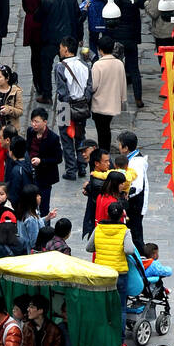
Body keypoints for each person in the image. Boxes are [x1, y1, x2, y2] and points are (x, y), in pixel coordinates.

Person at [86, 202, 136, 341]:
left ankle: (100, 337)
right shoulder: (125, 230)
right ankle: (120, 340)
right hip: (119, 273)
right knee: (120, 307)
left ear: (107, 213)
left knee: (101, 306)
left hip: (101, 273)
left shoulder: (98, 228)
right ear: (121, 215)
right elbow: (129, 250)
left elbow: (89, 248)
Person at [38, 0, 83, 103]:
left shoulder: (45, 1)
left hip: (51, 40)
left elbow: (38, 17)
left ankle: (47, 95)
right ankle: (69, 92)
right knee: (68, 67)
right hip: (67, 39)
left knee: (46, 67)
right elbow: (78, 19)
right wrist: (79, 37)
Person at [52, 35, 91, 181]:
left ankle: (70, 169)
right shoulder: (85, 65)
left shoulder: (60, 67)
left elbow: (62, 92)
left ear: (66, 49)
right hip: (82, 105)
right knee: (80, 136)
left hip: (65, 107)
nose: (60, 50)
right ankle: (82, 166)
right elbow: (89, 86)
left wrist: (68, 103)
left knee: (66, 138)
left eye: (61, 47)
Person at [105, 0, 145, 110]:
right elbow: (142, 0)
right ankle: (138, 98)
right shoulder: (133, 0)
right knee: (134, 70)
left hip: (116, 39)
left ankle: (113, 97)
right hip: (131, 38)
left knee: (113, 69)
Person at [90, 32, 127, 151]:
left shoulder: (97, 65)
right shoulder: (119, 64)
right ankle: (105, 150)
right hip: (113, 103)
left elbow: (93, 86)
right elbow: (123, 83)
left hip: (99, 104)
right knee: (106, 128)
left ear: (100, 50)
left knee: (102, 130)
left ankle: (103, 152)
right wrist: (122, 100)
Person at [25, 107, 61, 217]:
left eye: (36, 122)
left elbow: (58, 158)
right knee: (29, 205)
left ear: (45, 122)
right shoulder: (30, 132)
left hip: (45, 177)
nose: (33, 124)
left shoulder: (53, 138)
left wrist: (41, 161)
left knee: (44, 207)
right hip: (30, 173)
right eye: (32, 121)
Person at [21, 0, 51, 93]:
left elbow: (24, 4)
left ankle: (36, 80)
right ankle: (41, 82)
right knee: (41, 55)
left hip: (30, 20)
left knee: (34, 54)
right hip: (40, 23)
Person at [117, 130, 148, 254]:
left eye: (120, 145)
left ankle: (143, 261)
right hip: (133, 204)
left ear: (125, 148)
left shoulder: (137, 163)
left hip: (135, 205)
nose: (118, 147)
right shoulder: (132, 160)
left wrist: (124, 193)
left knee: (135, 235)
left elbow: (137, 186)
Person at [82, 146, 110, 238]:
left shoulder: (101, 175)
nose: (109, 164)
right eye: (106, 161)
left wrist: (88, 187)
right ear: (97, 163)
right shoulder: (99, 181)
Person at [4, 135, 36, 206]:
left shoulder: (16, 170)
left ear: (11, 152)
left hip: (20, 207)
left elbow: (14, 194)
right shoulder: (28, 165)